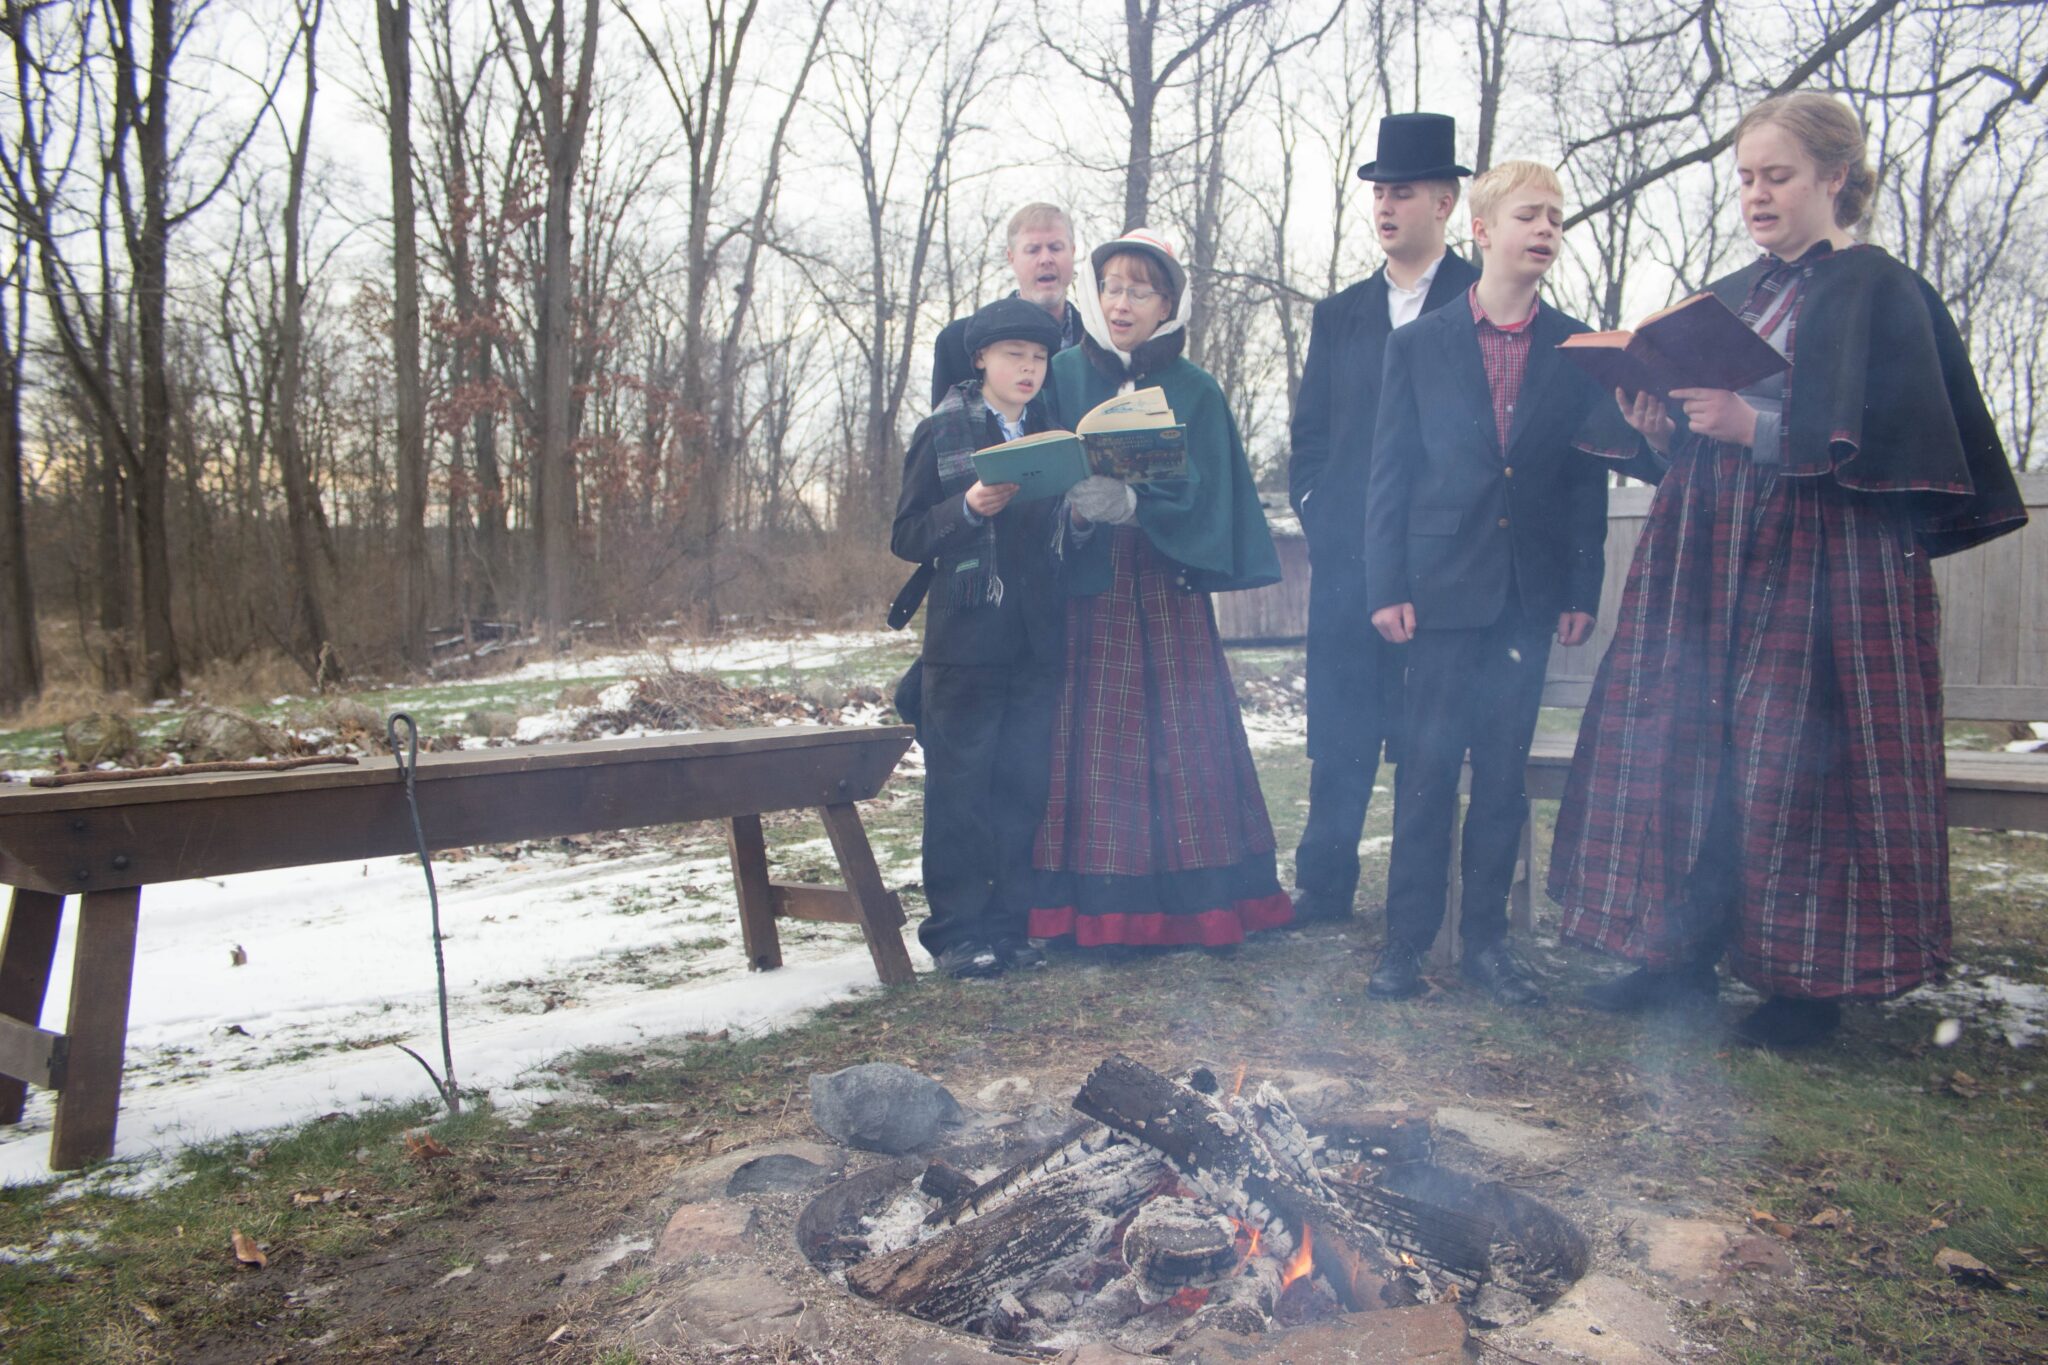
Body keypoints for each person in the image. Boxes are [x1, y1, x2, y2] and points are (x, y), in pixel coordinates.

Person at [1548, 92, 2027, 1047]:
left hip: (1826, 571)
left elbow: (1893, 441)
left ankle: (1803, 991)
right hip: (1706, 558)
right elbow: (1699, 429)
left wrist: (1754, 424)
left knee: (1792, 763)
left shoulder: (1879, 289)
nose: (1757, 197)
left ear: (1835, 178)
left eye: (1778, 177)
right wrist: (1660, 433)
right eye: (1746, 180)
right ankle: (1674, 957)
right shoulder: (1735, 290)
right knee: (1685, 741)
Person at [1362, 161, 1639, 1007]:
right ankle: (1404, 944)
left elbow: (1585, 480)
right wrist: (1386, 586)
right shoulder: (1419, 343)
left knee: (1502, 778)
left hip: (1529, 596)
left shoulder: (1579, 347)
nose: (1547, 229)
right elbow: (1390, 475)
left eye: (1558, 217)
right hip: (1441, 593)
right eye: (1530, 215)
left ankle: (1487, 944)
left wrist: (1582, 587)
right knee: (1428, 773)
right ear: (1481, 230)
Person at [1027, 229, 1292, 951]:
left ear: (1168, 304)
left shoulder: (1196, 389)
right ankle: (1091, 909)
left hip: (1166, 591)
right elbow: (1033, 468)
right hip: (1090, 591)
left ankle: (1200, 904)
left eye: (1139, 290)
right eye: (1111, 286)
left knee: (1185, 737)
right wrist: (1077, 507)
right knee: (1090, 743)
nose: (1120, 302)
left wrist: (1142, 506)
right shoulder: (1061, 375)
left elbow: (1213, 495)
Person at [1288, 112, 1481, 925]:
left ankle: (1416, 903)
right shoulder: (1341, 315)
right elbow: (1310, 441)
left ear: (1445, 200)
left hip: (1444, 568)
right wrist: (1324, 518)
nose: (1385, 206)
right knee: (1340, 731)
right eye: (1377, 193)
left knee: (1428, 741)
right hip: (1345, 566)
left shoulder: (1482, 300)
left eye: (1403, 192)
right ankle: (1324, 887)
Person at [893, 298, 1070, 979]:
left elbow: (1057, 534)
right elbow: (906, 533)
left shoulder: (1052, 433)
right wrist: (967, 508)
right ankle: (957, 933)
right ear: (980, 360)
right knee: (960, 791)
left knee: (1022, 787)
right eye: (1013, 356)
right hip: (965, 639)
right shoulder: (942, 431)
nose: (1027, 369)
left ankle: (1011, 925)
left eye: (1038, 358)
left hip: (1035, 637)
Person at [930, 204, 1083, 405]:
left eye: (1055, 248)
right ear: (1011, 257)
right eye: (1033, 250)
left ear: (1072, 252)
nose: (1046, 259)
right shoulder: (959, 343)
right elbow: (942, 432)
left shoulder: (1102, 345)